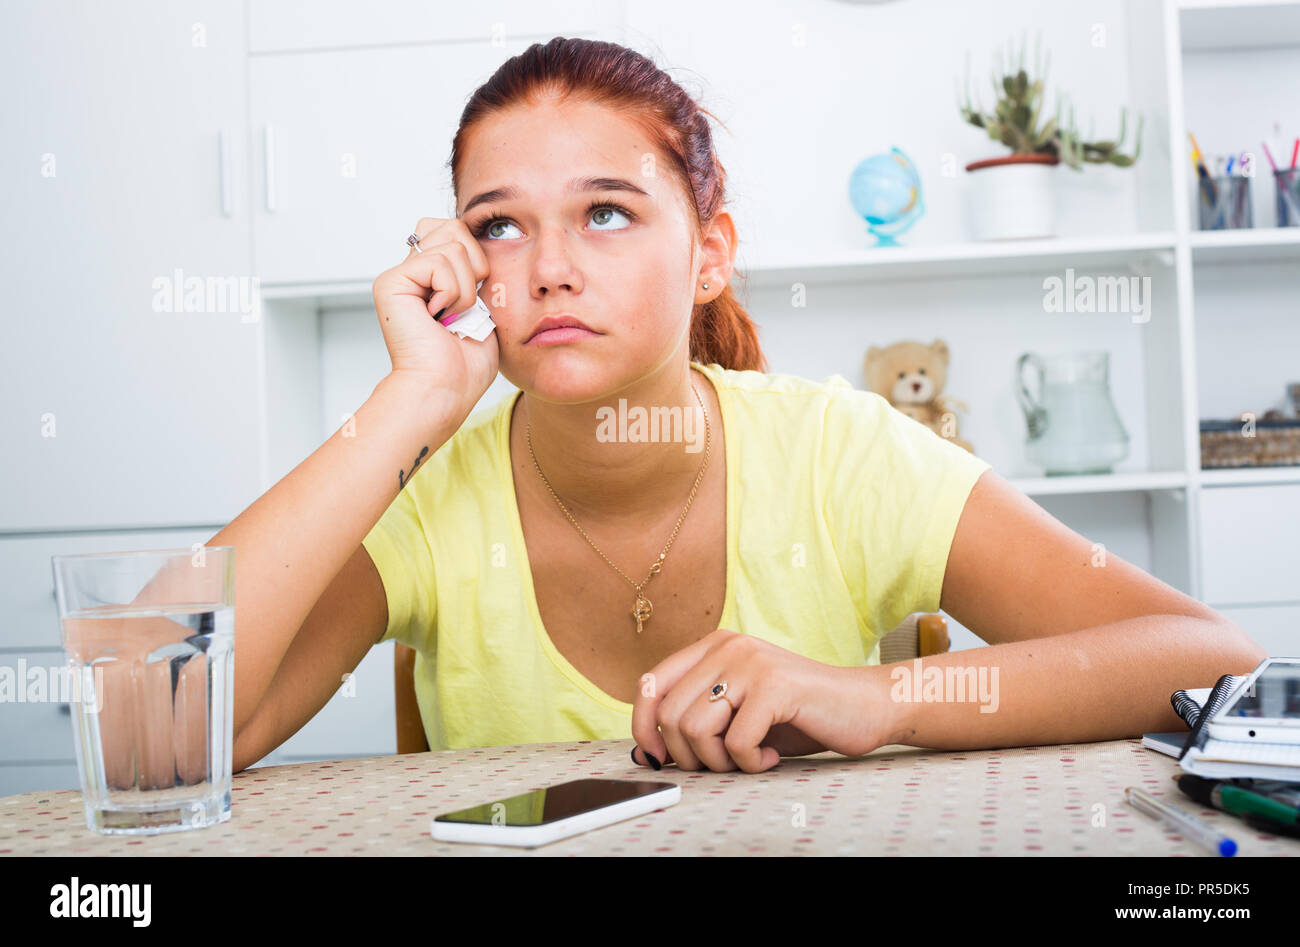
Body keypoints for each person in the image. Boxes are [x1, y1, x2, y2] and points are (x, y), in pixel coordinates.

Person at [219, 37, 1265, 776]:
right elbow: (166, 731)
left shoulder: (837, 452)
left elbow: (1209, 658)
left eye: (606, 211)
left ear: (709, 253)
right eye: (498, 226)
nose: (548, 268)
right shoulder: (426, 478)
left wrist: (877, 700)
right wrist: (408, 402)